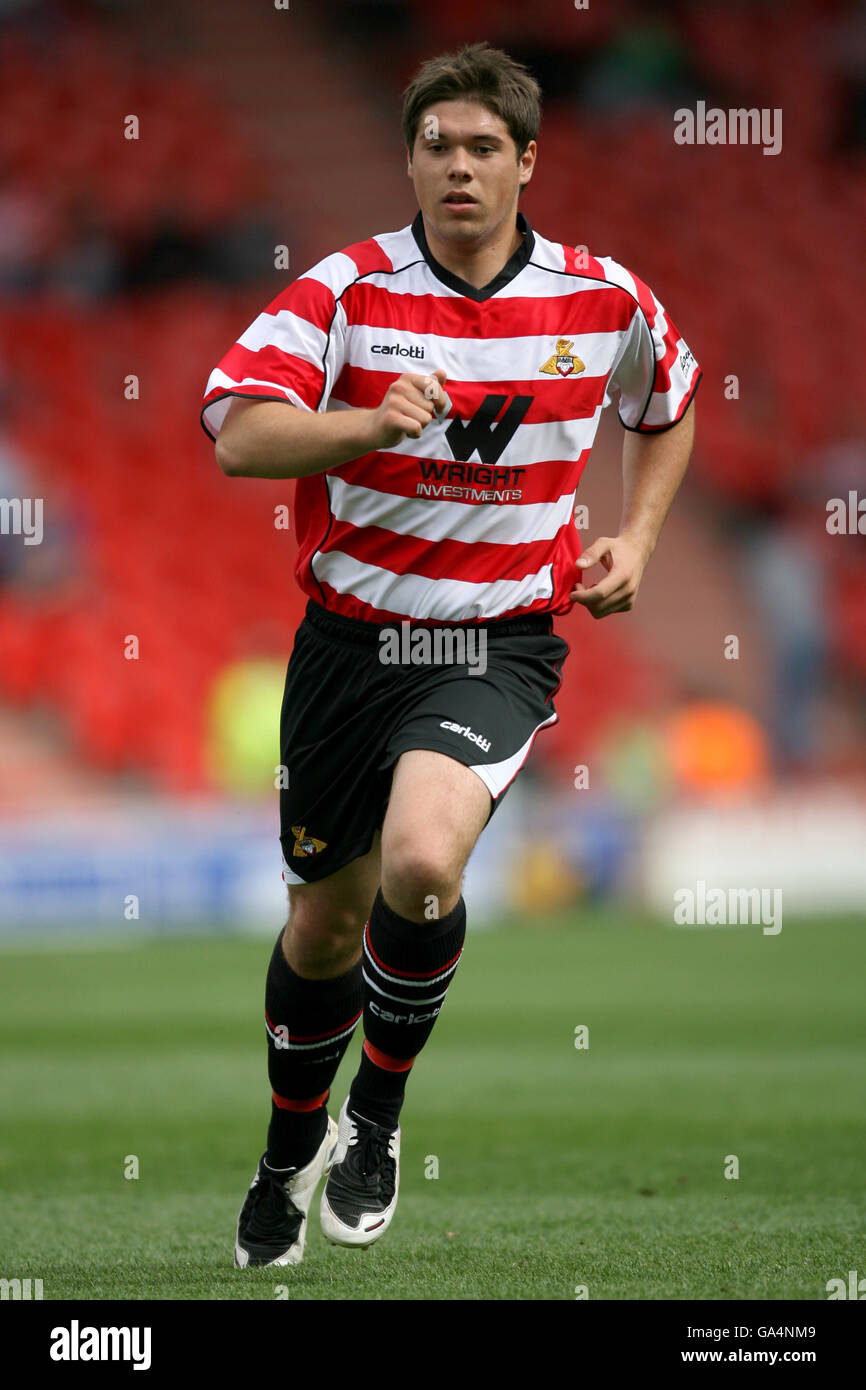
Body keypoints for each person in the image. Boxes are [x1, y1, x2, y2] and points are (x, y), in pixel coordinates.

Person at [200, 41, 700, 1268]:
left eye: (483, 147)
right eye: (436, 145)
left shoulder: (599, 299)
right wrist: (364, 423)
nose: (458, 167)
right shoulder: (344, 292)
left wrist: (634, 537)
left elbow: (668, 398)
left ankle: (375, 1121)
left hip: (495, 642)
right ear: (409, 160)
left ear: (526, 162)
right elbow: (236, 436)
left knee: (421, 865)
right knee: (323, 927)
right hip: (347, 646)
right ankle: (285, 1152)